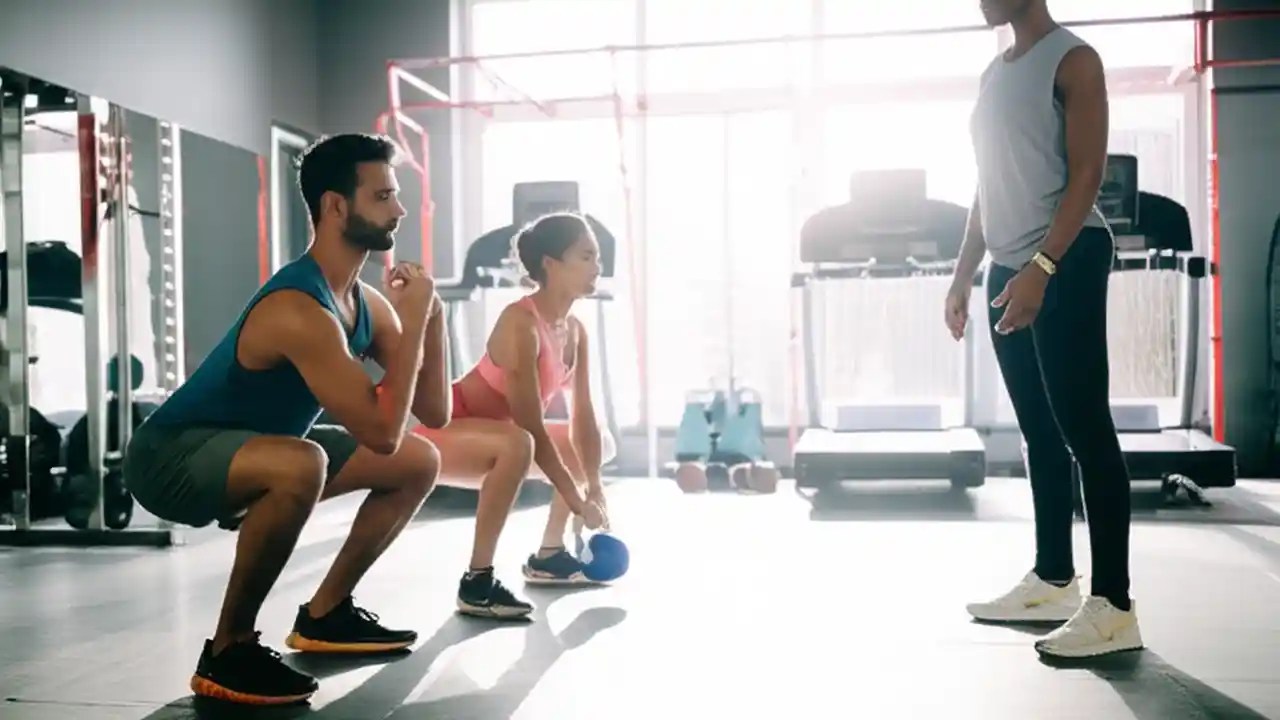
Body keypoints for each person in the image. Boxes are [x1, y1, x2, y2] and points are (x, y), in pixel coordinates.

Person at [124, 133, 449, 705]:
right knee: (304, 462)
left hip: (258, 445)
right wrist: (415, 319)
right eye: (384, 196)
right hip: (168, 459)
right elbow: (380, 428)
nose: (399, 209)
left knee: (418, 460)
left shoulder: (364, 303)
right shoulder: (299, 309)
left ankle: (326, 614)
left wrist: (433, 318)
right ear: (336, 206)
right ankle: (228, 651)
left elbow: (432, 412)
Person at [944, 0, 1143, 659]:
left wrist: (1043, 266)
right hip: (1008, 266)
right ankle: (1054, 577)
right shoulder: (992, 74)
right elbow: (986, 185)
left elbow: (1087, 173)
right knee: (1040, 431)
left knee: (1085, 428)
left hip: (1067, 258)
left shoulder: (1074, 60)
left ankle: (1113, 607)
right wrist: (964, 272)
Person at [407, 212, 613, 619]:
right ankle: (477, 581)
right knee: (520, 441)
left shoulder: (575, 331)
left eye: (597, 257)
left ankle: (549, 556)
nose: (597, 267)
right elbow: (529, 422)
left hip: (503, 437)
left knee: (597, 440)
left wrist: (595, 486)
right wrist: (575, 498)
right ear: (551, 265)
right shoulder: (520, 323)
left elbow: (583, 415)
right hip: (442, 433)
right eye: (586, 256)